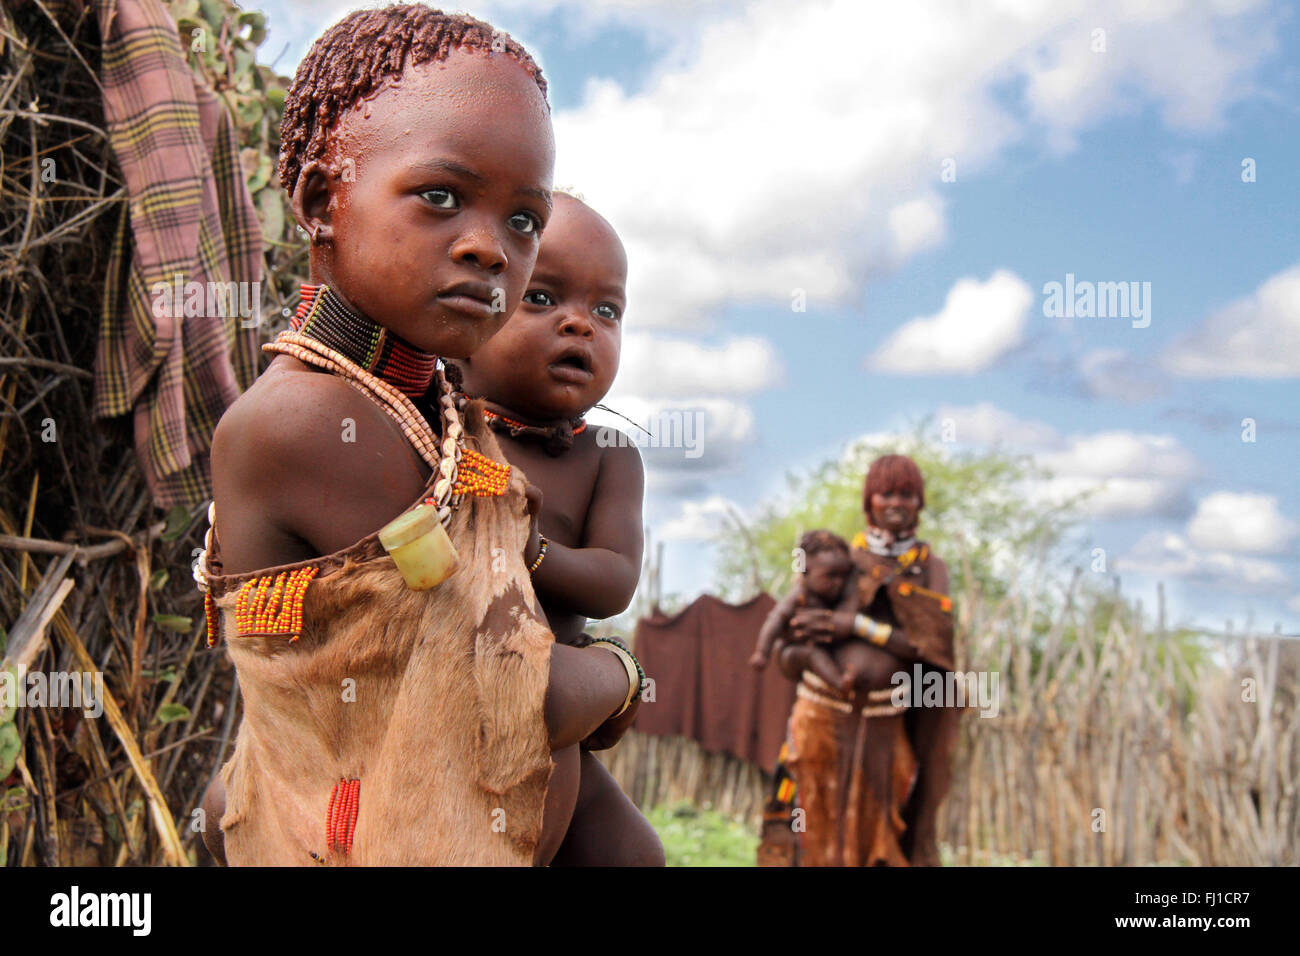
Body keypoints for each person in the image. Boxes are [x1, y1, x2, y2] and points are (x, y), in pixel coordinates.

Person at [197, 5, 639, 866]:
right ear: (324, 202)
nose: (490, 249)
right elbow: (508, 697)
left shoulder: (432, 402)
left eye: (523, 220)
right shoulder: (314, 422)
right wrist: (624, 675)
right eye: (441, 197)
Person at [453, 191, 663, 865]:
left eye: (607, 311)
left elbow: (613, 582)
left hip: (557, 703)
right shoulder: (437, 429)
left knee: (631, 856)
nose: (581, 326)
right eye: (542, 299)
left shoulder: (606, 455)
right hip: (447, 696)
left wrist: (531, 549)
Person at [771, 454, 958, 866]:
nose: (897, 502)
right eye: (886, 493)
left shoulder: (930, 570)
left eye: (907, 494)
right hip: (821, 717)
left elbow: (933, 649)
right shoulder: (838, 559)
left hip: (885, 726)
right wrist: (802, 650)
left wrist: (856, 625)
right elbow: (786, 652)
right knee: (812, 829)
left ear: (920, 502)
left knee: (883, 834)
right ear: (868, 500)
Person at [751, 530, 899, 695]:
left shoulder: (846, 591)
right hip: (799, 651)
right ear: (806, 572)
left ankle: (841, 682)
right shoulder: (799, 595)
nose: (839, 582)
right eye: (831, 576)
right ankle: (839, 682)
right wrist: (761, 652)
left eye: (843, 576)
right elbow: (775, 619)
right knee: (813, 655)